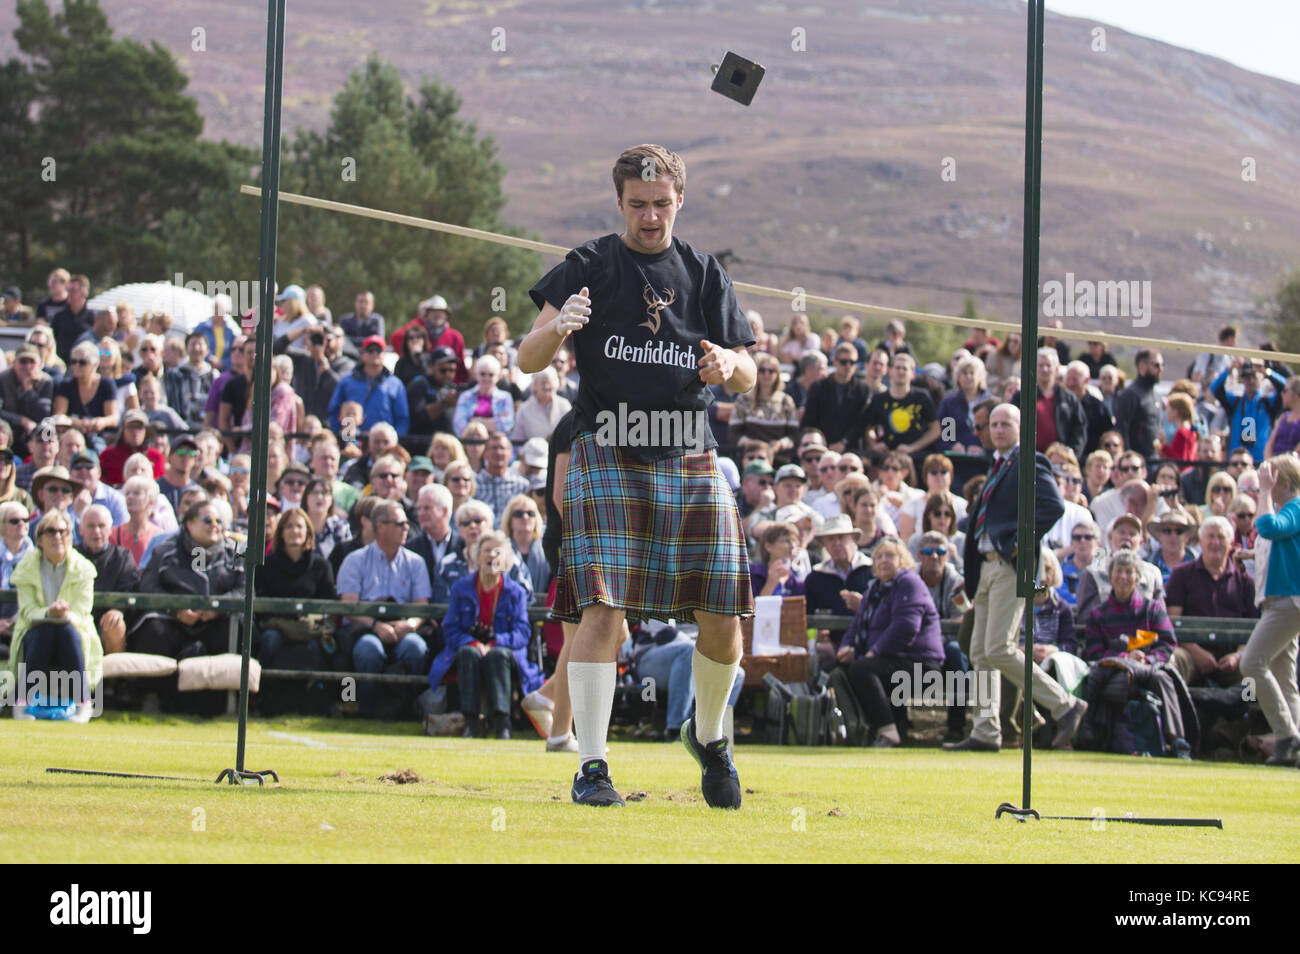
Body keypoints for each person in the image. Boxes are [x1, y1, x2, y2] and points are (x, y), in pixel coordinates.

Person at [519, 143, 756, 808]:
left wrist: (726, 368)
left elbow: (752, 372)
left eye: (660, 204)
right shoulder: (589, 265)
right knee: (601, 608)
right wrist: (558, 327)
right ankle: (591, 766)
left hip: (687, 448)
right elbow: (526, 358)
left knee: (722, 608)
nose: (650, 217)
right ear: (620, 202)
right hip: (607, 445)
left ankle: (709, 737)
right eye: (637, 205)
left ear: (679, 199)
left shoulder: (705, 274)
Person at [943, 403, 1087, 752]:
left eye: (1006, 423)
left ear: (1020, 428)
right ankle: (986, 730)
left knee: (999, 648)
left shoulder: (1029, 460)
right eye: (994, 424)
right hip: (987, 564)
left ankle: (1064, 705)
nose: (999, 429)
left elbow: (1052, 505)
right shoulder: (997, 465)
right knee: (979, 650)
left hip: (1010, 565)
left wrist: (1023, 540)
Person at [1078, 549, 1189, 758]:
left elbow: (1167, 643)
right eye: (1118, 571)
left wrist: (1146, 659)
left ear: (1138, 578)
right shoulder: (1098, 615)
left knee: (1164, 678)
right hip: (1114, 674)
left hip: (1148, 669)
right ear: (1111, 576)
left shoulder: (1153, 609)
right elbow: (1093, 653)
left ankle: (1178, 741)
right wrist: (1123, 659)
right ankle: (1123, 742)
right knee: (1120, 686)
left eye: (1129, 572)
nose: (1123, 577)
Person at [834, 538, 943, 746]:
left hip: (922, 665)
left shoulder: (909, 583)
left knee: (862, 669)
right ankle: (865, 729)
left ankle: (888, 732)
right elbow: (856, 626)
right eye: (879, 557)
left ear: (903, 560)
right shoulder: (873, 590)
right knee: (842, 669)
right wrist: (846, 648)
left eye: (890, 556)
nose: (884, 561)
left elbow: (905, 628)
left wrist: (872, 652)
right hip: (890, 662)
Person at [425, 531, 535, 738]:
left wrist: (495, 642)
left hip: (504, 652)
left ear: (506, 559)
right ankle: (471, 723)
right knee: (468, 653)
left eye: (497, 551)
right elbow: (450, 628)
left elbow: (522, 632)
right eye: (486, 551)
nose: (491, 556)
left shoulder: (516, 592)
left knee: (497, 655)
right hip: (469, 649)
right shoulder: (461, 588)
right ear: (477, 557)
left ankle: (502, 723)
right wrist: (474, 643)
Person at [336, 500, 432, 716]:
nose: (406, 528)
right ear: (380, 525)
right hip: (365, 628)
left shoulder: (416, 563)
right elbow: (348, 606)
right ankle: (366, 710)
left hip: (402, 628)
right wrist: (375, 625)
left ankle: (407, 709)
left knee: (415, 648)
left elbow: (421, 606)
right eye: (400, 523)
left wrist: (409, 624)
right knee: (369, 649)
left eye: (407, 523)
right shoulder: (355, 560)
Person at [6, 510, 100, 721]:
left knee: (66, 630)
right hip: (36, 631)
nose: (58, 536)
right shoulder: (27, 568)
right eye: (51, 531)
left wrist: (64, 614)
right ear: (39, 540)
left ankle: (83, 704)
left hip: (74, 630)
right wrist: (49, 612)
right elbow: (27, 611)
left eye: (63, 531)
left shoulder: (84, 568)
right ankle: (22, 703)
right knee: (44, 630)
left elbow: (83, 610)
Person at [1238, 455, 1300, 764]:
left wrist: (1263, 492)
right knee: (1282, 672)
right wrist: (1251, 555)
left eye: (1271, 480)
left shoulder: (1295, 507)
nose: (1265, 486)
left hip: (1287, 601)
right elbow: (1280, 542)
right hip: (1283, 600)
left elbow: (1267, 526)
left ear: (1284, 484)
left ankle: (1287, 735)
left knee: (1251, 664)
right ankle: (1294, 744)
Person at [129, 499, 243, 659]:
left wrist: (218, 608)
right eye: (207, 520)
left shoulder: (235, 554)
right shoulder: (165, 551)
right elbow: (149, 586)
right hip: (172, 622)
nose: (214, 525)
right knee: (152, 629)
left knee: (240, 627)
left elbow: (244, 590)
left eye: (218, 521)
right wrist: (176, 609)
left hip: (218, 623)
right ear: (189, 524)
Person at [254, 507, 337, 670]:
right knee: (270, 640)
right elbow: (261, 602)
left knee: (317, 648)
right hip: (276, 626)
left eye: (299, 526)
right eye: (289, 526)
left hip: (310, 628)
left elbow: (328, 603)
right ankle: (261, 690)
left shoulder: (322, 566)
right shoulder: (265, 565)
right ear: (281, 532)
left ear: (308, 531)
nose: (294, 531)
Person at [74, 504, 137, 654]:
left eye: (101, 526)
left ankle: (113, 678)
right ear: (81, 530)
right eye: (90, 526)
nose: (96, 531)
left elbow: (129, 588)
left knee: (115, 623)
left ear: (110, 530)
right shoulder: (72, 555)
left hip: (107, 620)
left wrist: (118, 610)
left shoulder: (122, 556)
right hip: (77, 615)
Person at [328, 335, 410, 436]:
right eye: (370, 350)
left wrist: (393, 439)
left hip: (382, 443)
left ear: (384, 354)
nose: (374, 354)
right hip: (352, 441)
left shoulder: (395, 384)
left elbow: (402, 418)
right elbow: (334, 411)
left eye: (378, 350)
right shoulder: (347, 381)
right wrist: (342, 436)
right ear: (363, 354)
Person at [1210, 357, 1287, 464]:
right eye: (1247, 377)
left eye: (1254, 377)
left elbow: (1286, 388)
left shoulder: (1268, 403)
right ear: (1243, 380)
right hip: (1236, 461)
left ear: (1262, 378)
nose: (1251, 381)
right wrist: (1229, 369)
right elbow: (1214, 388)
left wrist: (1268, 372)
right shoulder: (1235, 402)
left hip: (1260, 461)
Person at [802, 343, 870, 452]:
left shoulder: (862, 390)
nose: (848, 366)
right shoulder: (818, 387)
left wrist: (844, 442)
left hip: (851, 448)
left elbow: (861, 423)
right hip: (821, 447)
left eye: (852, 362)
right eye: (843, 362)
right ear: (834, 361)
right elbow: (810, 419)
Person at [730, 351, 799, 453]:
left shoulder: (786, 401)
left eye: (771, 371)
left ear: (777, 374)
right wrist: (752, 444)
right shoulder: (744, 399)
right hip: (750, 457)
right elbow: (733, 434)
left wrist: (780, 444)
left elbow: (794, 436)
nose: (766, 374)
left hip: (779, 458)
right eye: (762, 370)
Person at [53, 342, 117, 449]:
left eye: (82, 362)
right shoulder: (66, 385)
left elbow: (113, 417)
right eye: (73, 362)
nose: (76, 366)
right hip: (71, 436)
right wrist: (78, 423)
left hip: (99, 436)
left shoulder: (107, 384)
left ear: (95, 364)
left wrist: (101, 422)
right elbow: (59, 415)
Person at [0, 345, 54, 460]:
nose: (27, 366)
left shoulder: (45, 382)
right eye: (23, 362)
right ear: (14, 363)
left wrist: (28, 390)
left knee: (47, 432)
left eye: (32, 362)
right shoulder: (3, 379)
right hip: (10, 429)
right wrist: (22, 421)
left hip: (35, 432)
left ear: (40, 364)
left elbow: (44, 415)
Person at [1113, 349, 1164, 460]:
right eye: (1156, 365)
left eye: (1162, 365)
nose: (1161, 369)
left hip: (1154, 459)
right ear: (1142, 366)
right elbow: (1122, 428)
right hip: (1136, 463)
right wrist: (1128, 458)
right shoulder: (1130, 395)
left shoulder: (1157, 395)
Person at [473, 432, 530, 523]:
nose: (498, 452)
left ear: (511, 454)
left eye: (502, 448)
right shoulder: (473, 484)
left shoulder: (522, 486)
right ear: (485, 454)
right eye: (494, 448)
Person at [406, 346, 461, 439]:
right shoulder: (419, 385)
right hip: (423, 445)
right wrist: (444, 403)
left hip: (448, 444)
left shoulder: (452, 388)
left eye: (451, 370)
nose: (448, 374)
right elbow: (418, 417)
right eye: (443, 370)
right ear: (431, 366)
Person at [110, 475, 164, 565]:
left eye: (136, 493)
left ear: (150, 501)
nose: (130, 497)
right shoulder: (113, 534)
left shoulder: (158, 536)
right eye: (127, 493)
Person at [512, 366, 571, 444]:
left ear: (555, 385)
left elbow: (571, 431)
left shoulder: (564, 405)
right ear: (535, 386)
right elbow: (518, 441)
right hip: (534, 454)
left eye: (549, 383)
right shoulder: (524, 409)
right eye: (543, 383)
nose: (546, 387)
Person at [1263, 376, 1300, 458]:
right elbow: (1270, 444)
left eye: (1285, 391)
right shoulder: (1283, 417)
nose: (1282, 394)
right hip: (1276, 465)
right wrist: (1269, 462)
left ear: (1297, 394)